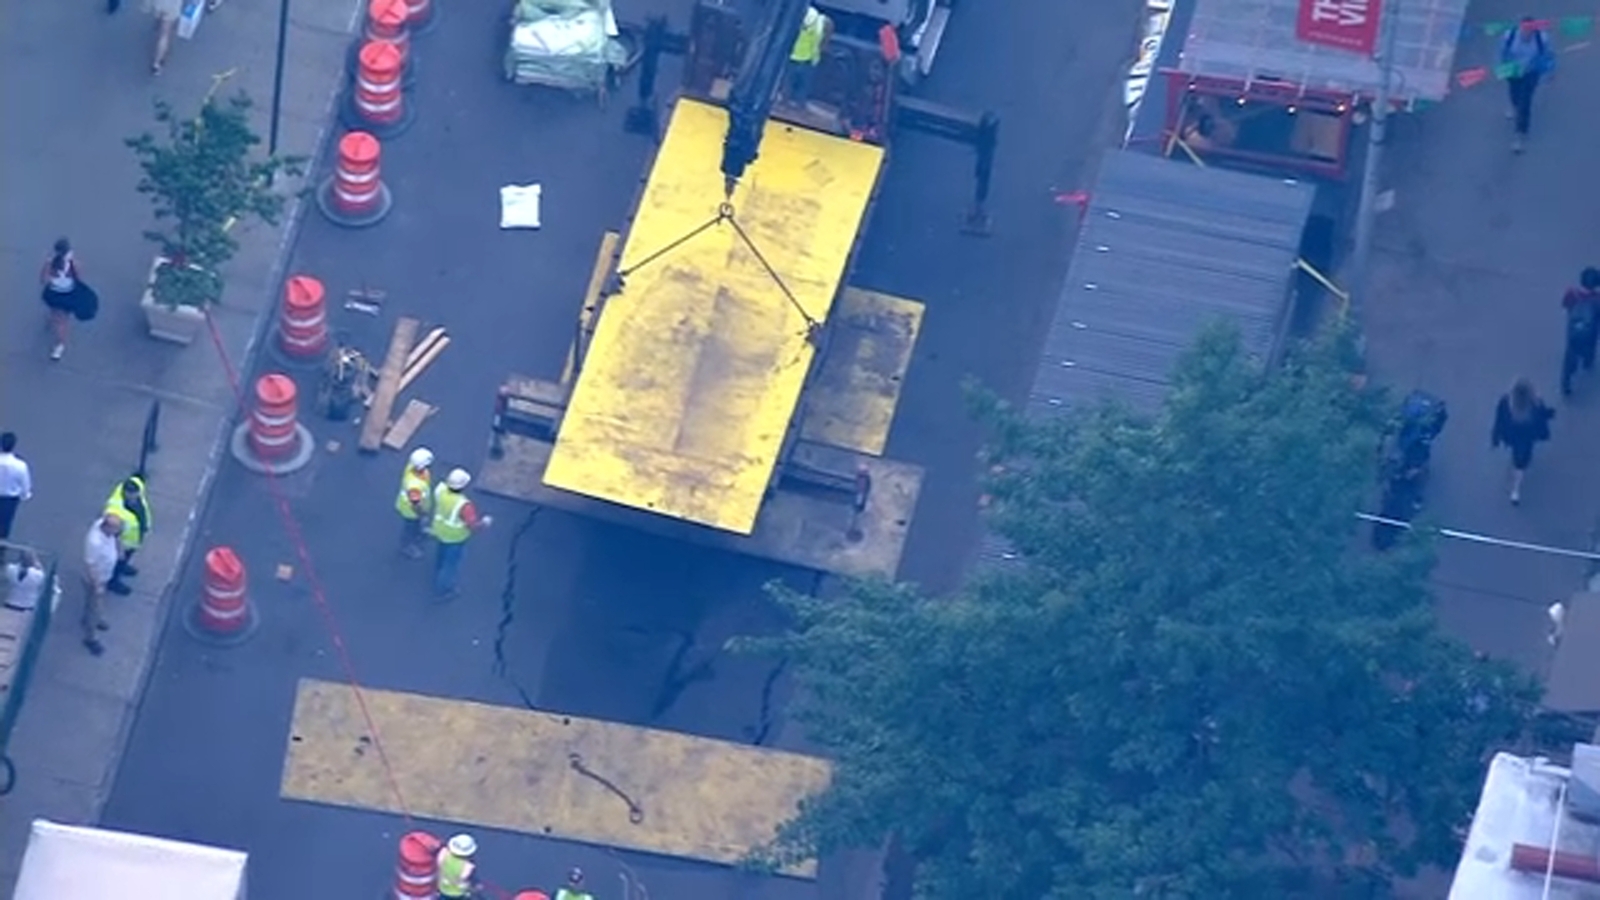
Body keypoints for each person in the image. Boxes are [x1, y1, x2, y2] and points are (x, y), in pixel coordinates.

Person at [1491, 377, 1555, 505]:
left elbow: (1498, 421)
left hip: (1510, 437)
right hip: (1525, 441)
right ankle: (1515, 491)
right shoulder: (1535, 405)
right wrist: (1550, 414)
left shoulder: (1505, 403)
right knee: (1521, 465)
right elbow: (1542, 416)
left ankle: (1514, 486)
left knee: (1516, 457)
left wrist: (1495, 438)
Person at [430, 469, 492, 597]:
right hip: (455, 537)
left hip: (439, 530)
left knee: (441, 552)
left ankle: (437, 569)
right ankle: (443, 591)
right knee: (450, 566)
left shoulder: (440, 490)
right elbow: (473, 526)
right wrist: (485, 523)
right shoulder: (464, 505)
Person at [1501, 16, 1554, 153]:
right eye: (1525, 29)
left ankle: (1520, 134)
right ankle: (1514, 106)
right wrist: (1501, 68)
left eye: (1530, 29)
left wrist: (1549, 72)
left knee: (1525, 101)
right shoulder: (1510, 36)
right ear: (1520, 28)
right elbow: (1502, 52)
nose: (1527, 33)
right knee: (1514, 94)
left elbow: (1548, 55)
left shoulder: (1541, 38)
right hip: (1513, 70)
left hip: (1531, 72)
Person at [83, 514, 125, 656]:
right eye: (116, 529)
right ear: (107, 527)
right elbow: (90, 566)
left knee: (93, 603)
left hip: (105, 575)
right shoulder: (95, 542)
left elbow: (116, 536)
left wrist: (119, 548)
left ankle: (92, 618)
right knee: (94, 606)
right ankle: (91, 637)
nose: (118, 532)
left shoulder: (104, 526)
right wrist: (97, 586)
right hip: (96, 578)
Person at [105, 476, 153, 596]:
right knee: (118, 561)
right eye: (129, 493)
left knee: (127, 557)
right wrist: (119, 549)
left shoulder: (138, 489)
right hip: (123, 543)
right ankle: (113, 581)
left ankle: (123, 567)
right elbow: (113, 530)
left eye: (135, 493)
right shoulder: (116, 509)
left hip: (134, 539)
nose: (133, 496)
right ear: (125, 492)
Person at [39, 238, 84, 361]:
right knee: (63, 322)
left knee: (56, 314)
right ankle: (60, 345)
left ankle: (53, 321)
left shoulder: (50, 263)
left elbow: (43, 279)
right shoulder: (74, 264)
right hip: (68, 295)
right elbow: (79, 281)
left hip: (54, 293)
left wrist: (54, 279)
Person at [1561, 267, 1600, 396]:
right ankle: (1587, 362)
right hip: (1590, 333)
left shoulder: (1571, 292)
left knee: (1570, 353)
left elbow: (1565, 305)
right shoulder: (1597, 299)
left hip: (1573, 330)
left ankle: (1566, 381)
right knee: (1590, 347)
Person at [784, 5, 832, 106]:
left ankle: (796, 101)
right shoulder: (802, 18)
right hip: (797, 56)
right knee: (794, 81)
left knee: (799, 82)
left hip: (806, 58)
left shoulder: (820, 23)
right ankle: (790, 100)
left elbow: (822, 41)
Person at [397, 447, 435, 559]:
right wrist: (423, 514)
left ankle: (420, 531)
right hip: (410, 511)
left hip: (416, 507)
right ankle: (406, 546)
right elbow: (416, 504)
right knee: (410, 528)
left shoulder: (412, 467)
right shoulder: (414, 486)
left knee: (417, 524)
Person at [0, 432, 32, 540]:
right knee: (4, 526)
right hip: (10, 500)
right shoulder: (20, 465)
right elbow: (25, 484)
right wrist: (25, 495)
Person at [145, 0, 185, 74]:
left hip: (158, 3)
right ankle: (157, 64)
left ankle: (157, 23)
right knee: (164, 35)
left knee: (159, 12)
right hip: (171, 6)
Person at [435, 834, 479, 899]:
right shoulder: (468, 866)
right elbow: (467, 880)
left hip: (442, 888)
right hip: (459, 894)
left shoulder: (443, 853)